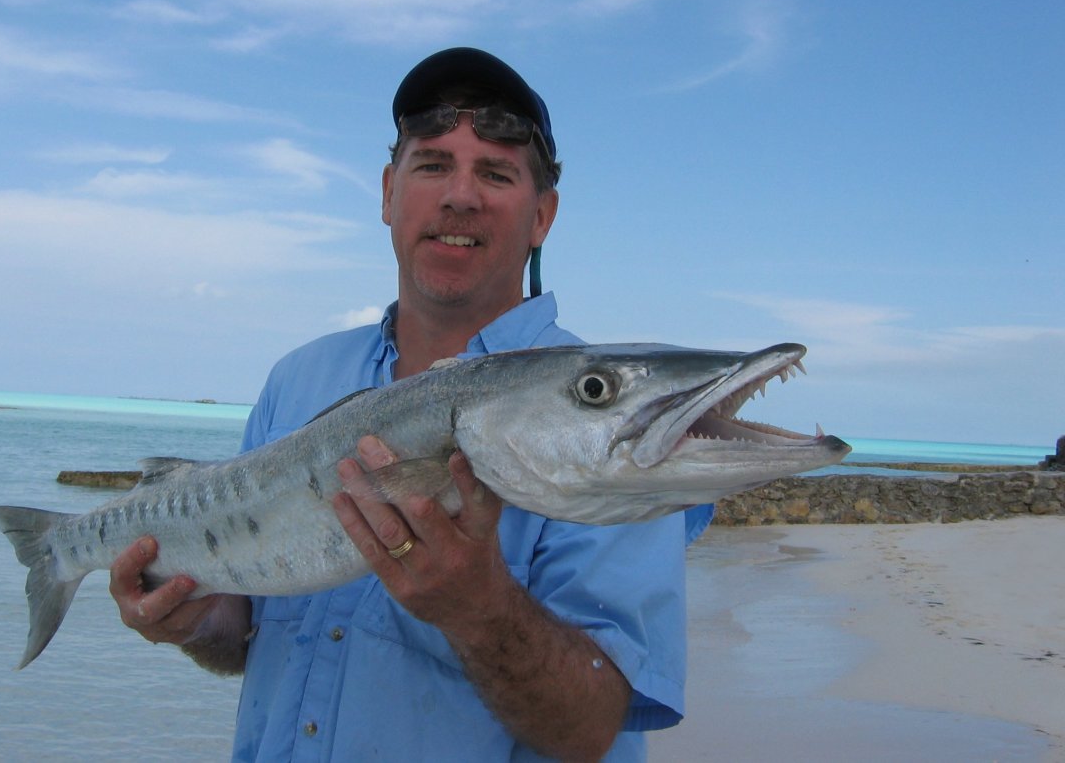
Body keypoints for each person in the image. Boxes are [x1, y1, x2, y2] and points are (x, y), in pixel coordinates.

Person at [108, 48, 713, 761]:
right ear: (390, 192)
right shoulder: (298, 379)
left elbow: (589, 727)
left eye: (496, 172)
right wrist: (193, 616)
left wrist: (478, 609)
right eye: (432, 165)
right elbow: (247, 636)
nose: (460, 196)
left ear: (542, 215)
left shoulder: (610, 424)